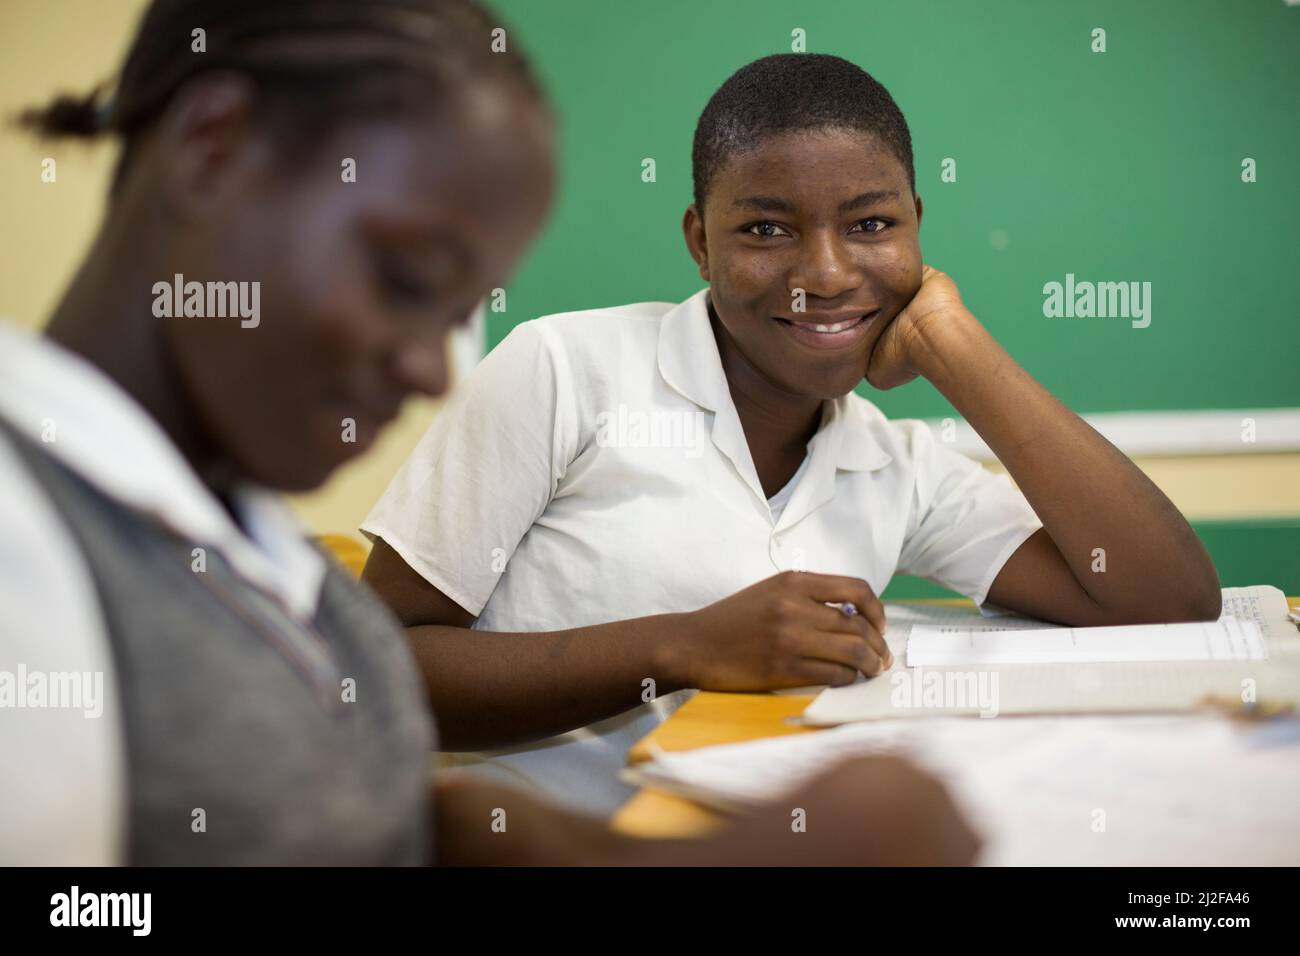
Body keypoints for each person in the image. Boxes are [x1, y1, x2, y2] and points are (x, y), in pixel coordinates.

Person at [0, 0, 977, 866]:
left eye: (459, 311)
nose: (431, 372)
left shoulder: (245, 547)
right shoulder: (24, 542)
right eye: (408, 282)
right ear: (214, 148)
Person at [361, 53, 1222, 815]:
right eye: (766, 229)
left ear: (918, 227)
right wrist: (684, 645)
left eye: (873, 225)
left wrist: (956, 347)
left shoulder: (896, 463)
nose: (826, 274)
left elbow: (1163, 599)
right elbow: (379, 672)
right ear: (700, 241)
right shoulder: (563, 370)